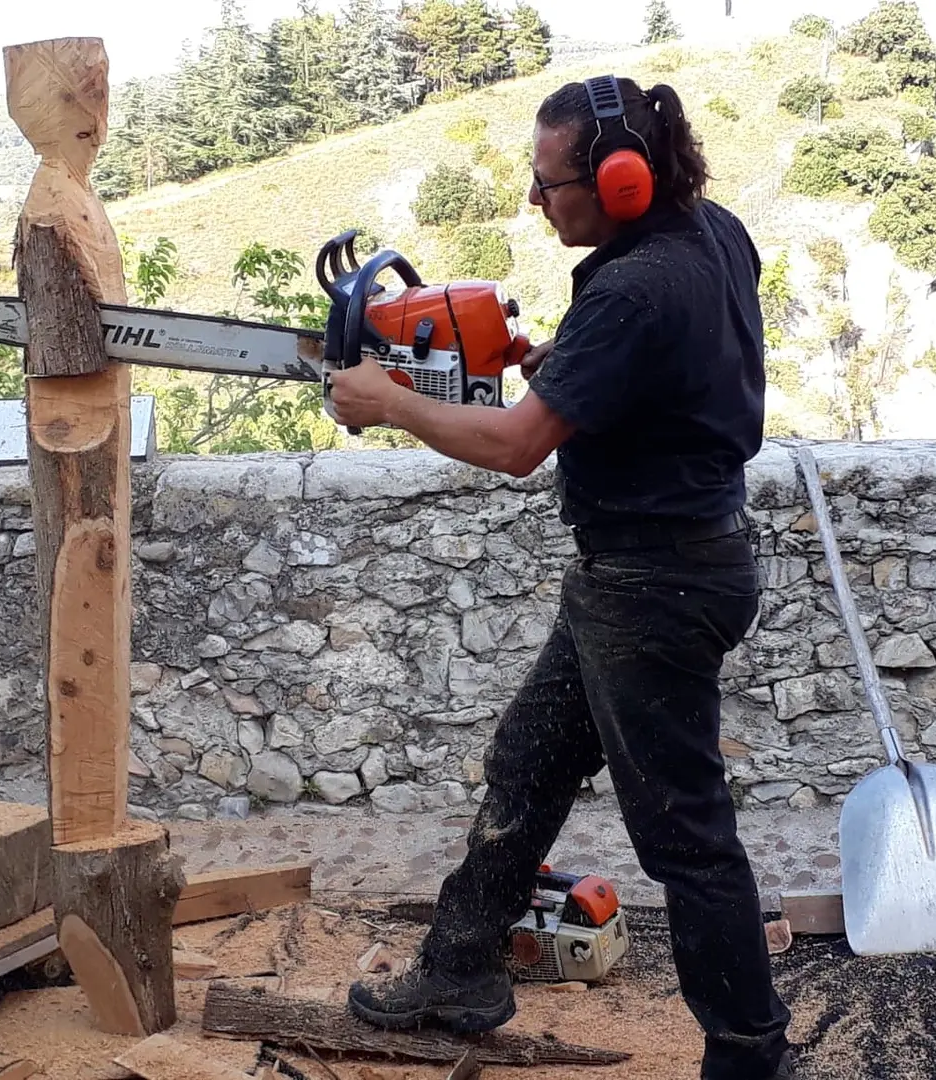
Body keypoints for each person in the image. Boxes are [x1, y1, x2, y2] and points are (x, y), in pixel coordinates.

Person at [325, 74, 795, 1080]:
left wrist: (389, 403)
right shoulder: (713, 232)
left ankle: (752, 1056)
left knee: (686, 838)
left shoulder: (631, 287)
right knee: (529, 761)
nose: (538, 203)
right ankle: (458, 967)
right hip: (652, 571)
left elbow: (512, 450)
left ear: (621, 182)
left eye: (550, 186)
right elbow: (684, 368)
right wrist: (577, 367)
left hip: (654, 589)